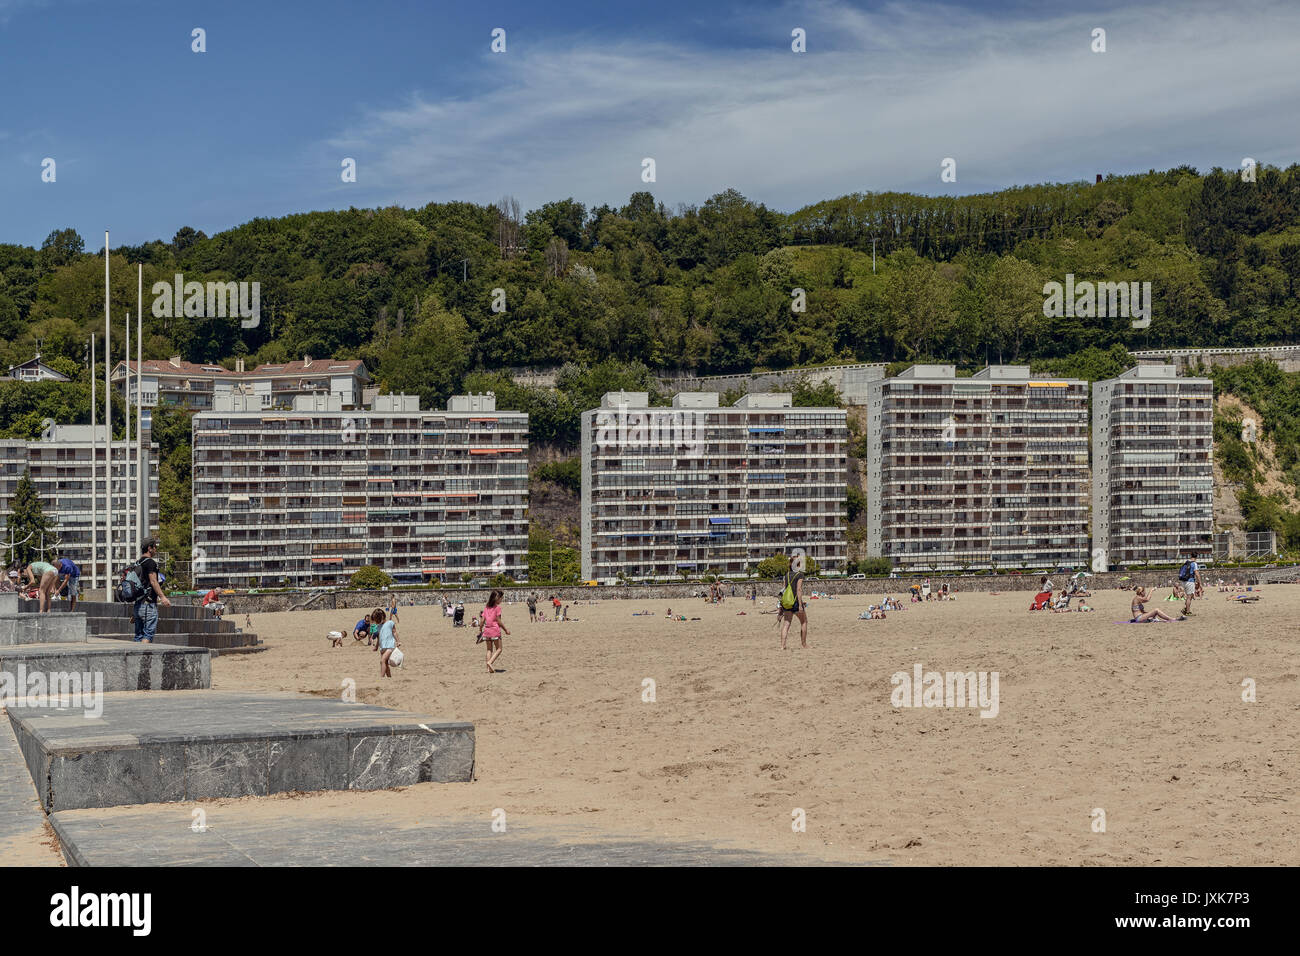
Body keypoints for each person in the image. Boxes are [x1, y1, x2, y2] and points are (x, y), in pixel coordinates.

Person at [133, 538, 171, 643]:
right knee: (148, 635)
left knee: (138, 636)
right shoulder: (150, 563)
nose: (156, 550)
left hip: (138, 605)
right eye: (155, 547)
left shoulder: (137, 563)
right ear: (150, 548)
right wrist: (163, 597)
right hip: (148, 604)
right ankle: (143, 659)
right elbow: (154, 581)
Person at [778, 554, 808, 650]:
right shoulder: (799, 575)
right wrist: (800, 604)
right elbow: (799, 590)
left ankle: (782, 646)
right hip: (795, 602)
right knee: (804, 622)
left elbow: (783, 591)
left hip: (787, 602)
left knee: (786, 623)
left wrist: (780, 608)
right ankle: (803, 644)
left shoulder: (786, 575)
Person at [480, 589, 509, 675]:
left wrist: (480, 629)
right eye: (501, 598)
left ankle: (488, 669)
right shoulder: (497, 608)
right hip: (495, 630)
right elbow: (499, 621)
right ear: (497, 598)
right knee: (499, 649)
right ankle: (490, 662)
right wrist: (506, 630)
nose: (501, 600)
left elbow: (482, 621)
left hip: (487, 630)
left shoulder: (486, 607)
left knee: (489, 650)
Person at [375, 609, 400, 678]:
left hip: (390, 646)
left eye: (378, 619)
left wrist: (398, 641)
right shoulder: (378, 627)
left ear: (382, 617)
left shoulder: (390, 623)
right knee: (385, 663)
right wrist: (376, 646)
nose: (377, 622)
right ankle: (389, 677)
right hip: (382, 647)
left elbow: (394, 632)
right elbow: (379, 637)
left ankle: (381, 678)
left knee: (382, 661)